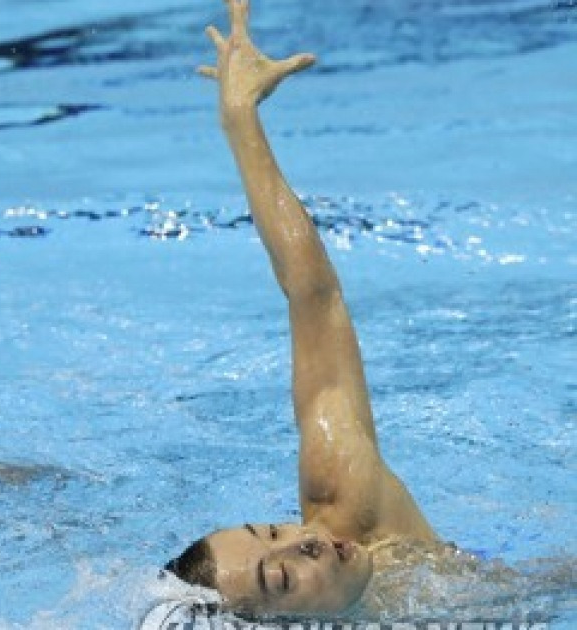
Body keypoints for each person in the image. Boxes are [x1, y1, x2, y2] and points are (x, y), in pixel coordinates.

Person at [163, 0, 439, 617]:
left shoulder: (349, 506)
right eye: (281, 580)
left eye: (276, 530)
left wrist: (240, 122)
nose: (310, 539)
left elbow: (314, 295)